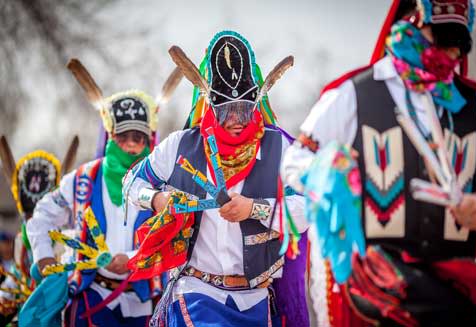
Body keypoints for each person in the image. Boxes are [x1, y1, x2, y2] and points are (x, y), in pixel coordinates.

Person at [281, 0, 476, 325]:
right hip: (377, 284)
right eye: (444, 36)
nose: (452, 53)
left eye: (460, 41)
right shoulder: (353, 93)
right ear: (413, 23)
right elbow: (295, 161)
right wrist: (327, 170)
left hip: (457, 281)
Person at [124, 31, 308, 326]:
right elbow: (131, 182)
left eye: (244, 109)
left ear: (257, 102)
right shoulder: (181, 145)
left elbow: (311, 207)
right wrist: (157, 199)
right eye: (226, 111)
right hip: (196, 293)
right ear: (209, 104)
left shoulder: (279, 149)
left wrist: (254, 208)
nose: (236, 119)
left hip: (256, 299)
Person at [27, 88, 163, 326]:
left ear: (148, 140)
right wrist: (44, 258)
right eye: (124, 137)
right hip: (91, 294)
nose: (131, 146)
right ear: (111, 135)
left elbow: (173, 234)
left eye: (138, 138)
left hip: (144, 298)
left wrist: (132, 259)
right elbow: (41, 217)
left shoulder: (161, 181)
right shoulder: (83, 178)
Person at [0, 136, 77, 325]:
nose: (33, 224)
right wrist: (3, 298)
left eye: (39, 218)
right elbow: (16, 278)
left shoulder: (67, 242)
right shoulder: (20, 241)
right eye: (28, 216)